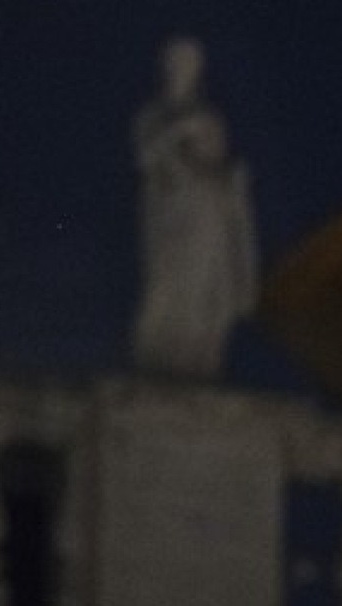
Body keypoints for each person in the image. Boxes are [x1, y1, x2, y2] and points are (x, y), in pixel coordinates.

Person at [132, 37, 257, 377]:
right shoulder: (154, 115)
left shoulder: (210, 119)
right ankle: (160, 359)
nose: (182, 71)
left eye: (189, 64)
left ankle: (198, 362)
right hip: (171, 211)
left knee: (204, 286)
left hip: (207, 211)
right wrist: (178, 130)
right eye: (177, 64)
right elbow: (147, 158)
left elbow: (216, 165)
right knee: (170, 283)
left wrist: (231, 181)